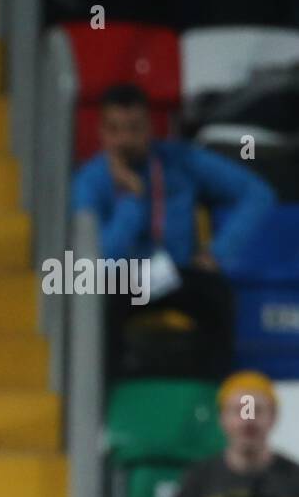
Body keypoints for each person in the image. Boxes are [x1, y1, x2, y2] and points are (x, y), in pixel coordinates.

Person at [71, 83, 276, 380]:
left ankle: (210, 397)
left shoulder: (179, 161)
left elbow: (257, 193)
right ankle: (104, 403)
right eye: (115, 130)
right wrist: (131, 200)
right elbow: (99, 259)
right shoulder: (89, 182)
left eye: (134, 128)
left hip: (178, 272)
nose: (125, 139)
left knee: (218, 296)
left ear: (150, 128)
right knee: (99, 303)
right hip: (121, 279)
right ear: (101, 133)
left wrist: (218, 252)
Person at [167, 370, 299, 497]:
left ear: (273, 416)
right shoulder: (198, 479)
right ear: (222, 418)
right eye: (239, 411)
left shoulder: (294, 479)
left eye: (257, 411)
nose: (248, 421)